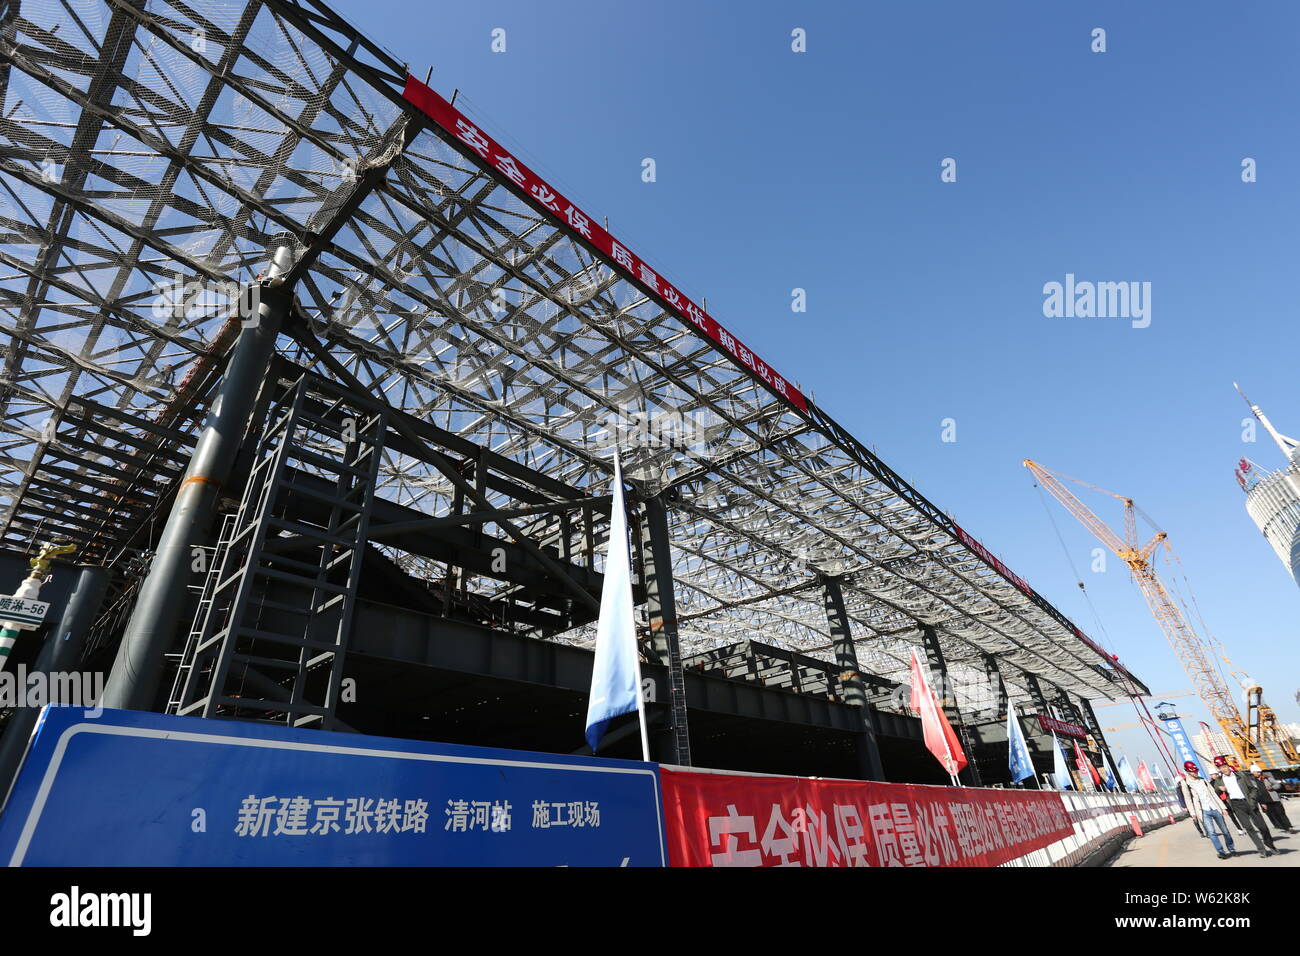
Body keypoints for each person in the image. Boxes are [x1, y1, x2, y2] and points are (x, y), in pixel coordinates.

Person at [1211, 755, 1277, 858]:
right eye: (1221, 768)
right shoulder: (1219, 781)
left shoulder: (1240, 775)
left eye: (1225, 766)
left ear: (1228, 766)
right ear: (1219, 769)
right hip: (1236, 806)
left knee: (1262, 827)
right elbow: (1216, 792)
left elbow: (1253, 789)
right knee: (1249, 828)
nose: (1224, 769)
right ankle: (1261, 849)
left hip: (1249, 802)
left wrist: (1252, 801)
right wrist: (1220, 789)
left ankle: (1270, 845)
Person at [1177, 761, 1235, 859]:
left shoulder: (1203, 780)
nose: (1195, 773)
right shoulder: (1185, 783)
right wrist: (1193, 813)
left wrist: (1223, 807)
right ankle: (1221, 851)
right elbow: (1187, 798)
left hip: (1214, 807)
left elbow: (1213, 794)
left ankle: (1231, 848)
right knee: (1211, 833)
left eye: (1196, 771)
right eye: (1193, 772)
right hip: (1203, 811)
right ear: (1187, 771)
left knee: (1225, 830)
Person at [1250, 763, 1295, 833]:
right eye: (1256, 772)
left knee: (1281, 813)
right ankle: (1284, 827)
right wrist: (1261, 803)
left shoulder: (1267, 778)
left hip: (1274, 800)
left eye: (1258, 771)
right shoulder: (1253, 782)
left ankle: (1289, 827)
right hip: (1265, 802)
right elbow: (1256, 793)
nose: (1258, 773)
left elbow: (1278, 785)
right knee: (1274, 815)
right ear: (1253, 773)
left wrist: (1272, 787)